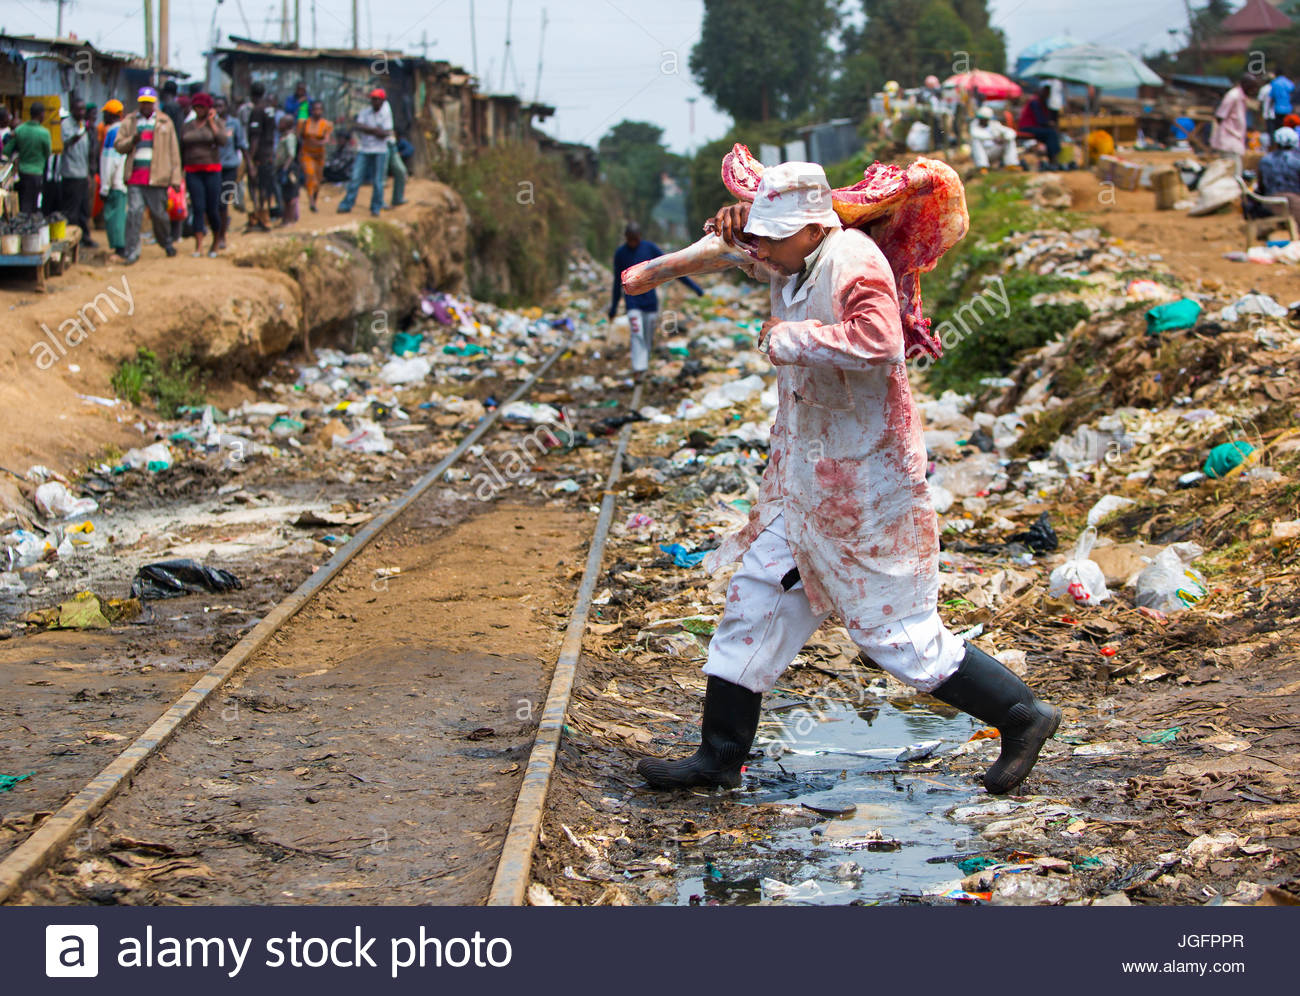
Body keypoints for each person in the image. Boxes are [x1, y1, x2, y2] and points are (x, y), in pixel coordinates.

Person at [635, 163, 1060, 796]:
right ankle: (719, 757)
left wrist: (790, 337)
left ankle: (1022, 715)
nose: (763, 250)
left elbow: (881, 341)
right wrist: (708, 242)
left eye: (771, 237)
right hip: (808, 480)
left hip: (865, 485)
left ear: (811, 229)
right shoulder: (797, 256)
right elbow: (745, 255)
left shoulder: (852, 260)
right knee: (754, 599)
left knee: (895, 634)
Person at [609, 222, 704, 379]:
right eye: (630, 240)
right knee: (636, 332)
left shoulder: (649, 249)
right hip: (632, 303)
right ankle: (639, 369)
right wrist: (613, 308)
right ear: (626, 238)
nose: (633, 243)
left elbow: (671, 269)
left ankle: (644, 363)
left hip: (650, 303)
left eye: (635, 239)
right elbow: (616, 283)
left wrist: (694, 287)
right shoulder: (621, 254)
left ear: (639, 237)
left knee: (647, 335)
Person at [114, 85, 182, 262]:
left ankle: (166, 242)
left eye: (149, 103)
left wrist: (175, 177)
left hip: (157, 177)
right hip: (135, 176)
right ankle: (132, 251)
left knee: (159, 214)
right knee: (134, 212)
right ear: (139, 103)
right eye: (143, 103)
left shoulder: (165, 122)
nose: (146, 106)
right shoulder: (129, 121)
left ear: (154, 104)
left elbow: (174, 151)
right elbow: (119, 145)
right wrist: (132, 140)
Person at [180, 92, 227, 257]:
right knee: (198, 208)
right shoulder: (188, 126)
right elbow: (182, 147)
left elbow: (222, 140)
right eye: (197, 107)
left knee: (212, 209)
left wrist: (212, 122)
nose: (200, 110)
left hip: (212, 171)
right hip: (193, 171)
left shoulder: (216, 123)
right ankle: (198, 245)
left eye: (203, 107)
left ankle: (215, 241)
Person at [338, 87, 393, 216]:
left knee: (378, 181)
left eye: (377, 99)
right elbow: (358, 126)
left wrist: (369, 129)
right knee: (355, 177)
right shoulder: (365, 112)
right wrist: (376, 130)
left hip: (380, 151)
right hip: (365, 149)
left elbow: (386, 133)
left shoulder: (386, 111)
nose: (374, 102)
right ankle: (347, 204)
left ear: (382, 101)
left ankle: (375, 208)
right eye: (373, 99)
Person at [58, 95, 96, 246]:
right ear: (72, 109)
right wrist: (82, 132)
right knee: (71, 210)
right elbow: (66, 143)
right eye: (78, 109)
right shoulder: (66, 125)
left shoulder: (82, 125)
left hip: (82, 173)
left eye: (83, 109)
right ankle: (72, 241)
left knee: (84, 208)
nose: (81, 112)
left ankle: (84, 237)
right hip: (71, 174)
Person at [4, 101, 52, 214]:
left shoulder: (20, 129)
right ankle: (29, 228)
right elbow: (48, 153)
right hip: (37, 172)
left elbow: (7, 150)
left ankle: (22, 226)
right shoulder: (44, 133)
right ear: (41, 114)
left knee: (23, 202)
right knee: (34, 204)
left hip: (22, 172)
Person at [213, 95, 248, 249]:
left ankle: (222, 236)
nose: (219, 109)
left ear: (227, 106)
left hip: (229, 168)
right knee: (213, 203)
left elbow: (241, 144)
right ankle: (216, 231)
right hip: (212, 168)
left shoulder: (234, 123)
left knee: (223, 202)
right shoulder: (211, 123)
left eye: (222, 106)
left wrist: (249, 165)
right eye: (217, 106)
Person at [1211, 73, 1261, 175]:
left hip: (1235, 139)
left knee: (1236, 170)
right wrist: (1226, 130)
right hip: (1229, 139)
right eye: (1252, 87)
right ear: (1245, 85)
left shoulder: (1241, 97)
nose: (1253, 91)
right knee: (1234, 172)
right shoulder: (1232, 96)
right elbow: (1220, 116)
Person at [244, 82, 277, 231]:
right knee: (265, 187)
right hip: (269, 152)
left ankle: (259, 217)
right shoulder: (270, 109)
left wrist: (250, 160)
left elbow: (255, 138)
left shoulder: (257, 110)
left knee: (256, 187)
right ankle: (263, 216)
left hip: (260, 155)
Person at [99, 99, 127, 255]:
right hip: (121, 181)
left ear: (110, 115)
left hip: (114, 182)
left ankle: (119, 248)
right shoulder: (124, 130)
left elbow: (111, 161)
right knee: (120, 215)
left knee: (115, 217)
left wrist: (105, 187)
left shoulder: (113, 132)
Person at [1258, 126, 1300, 225]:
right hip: (1296, 205)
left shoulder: (1265, 160)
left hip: (1269, 204)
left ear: (1276, 143)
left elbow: (1261, 187)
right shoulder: (1297, 160)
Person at [298, 99, 333, 211]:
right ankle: (311, 202)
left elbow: (327, 139)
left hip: (319, 155)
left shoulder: (326, 124)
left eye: (319, 109)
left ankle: (314, 198)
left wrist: (318, 142)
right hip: (307, 153)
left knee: (318, 179)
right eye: (315, 109)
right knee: (309, 175)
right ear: (311, 110)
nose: (317, 111)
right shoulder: (305, 123)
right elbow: (299, 136)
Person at [1017, 85, 1060, 170]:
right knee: (1051, 133)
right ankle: (1053, 159)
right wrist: (1050, 123)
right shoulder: (1035, 102)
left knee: (1051, 133)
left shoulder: (1040, 102)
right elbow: (1040, 120)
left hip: (1032, 127)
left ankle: (1052, 159)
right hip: (1027, 128)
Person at [969, 105, 1019, 172]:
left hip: (995, 151)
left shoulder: (994, 124)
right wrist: (994, 138)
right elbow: (976, 134)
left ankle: (1011, 164)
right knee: (976, 142)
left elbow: (1011, 133)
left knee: (1010, 141)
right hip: (982, 153)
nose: (983, 120)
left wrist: (1004, 137)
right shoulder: (974, 125)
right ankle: (982, 167)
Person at [273, 114, 302, 225]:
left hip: (289, 169)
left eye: (281, 123)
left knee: (290, 195)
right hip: (285, 168)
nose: (279, 125)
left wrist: (285, 169)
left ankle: (289, 219)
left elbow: (291, 154)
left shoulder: (290, 137)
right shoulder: (285, 136)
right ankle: (286, 219)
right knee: (285, 195)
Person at [1268, 71, 1294, 140]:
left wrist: (1269, 107)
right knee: (1288, 127)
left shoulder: (1274, 83)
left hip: (1278, 109)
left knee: (1278, 128)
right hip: (1288, 108)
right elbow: (1292, 91)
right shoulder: (1288, 82)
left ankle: (1279, 143)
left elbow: (1271, 96)